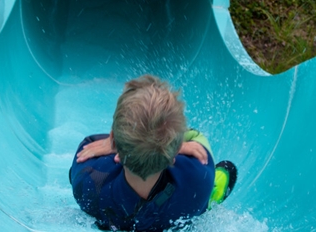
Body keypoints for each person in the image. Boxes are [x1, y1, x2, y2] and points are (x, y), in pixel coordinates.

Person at [69, 75, 237, 231]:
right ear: (176, 151)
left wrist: (121, 143)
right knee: (201, 200)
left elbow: (76, 171)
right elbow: (199, 144)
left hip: (114, 213)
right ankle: (210, 200)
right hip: (185, 202)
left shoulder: (89, 180)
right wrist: (176, 145)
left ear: (113, 141)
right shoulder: (197, 175)